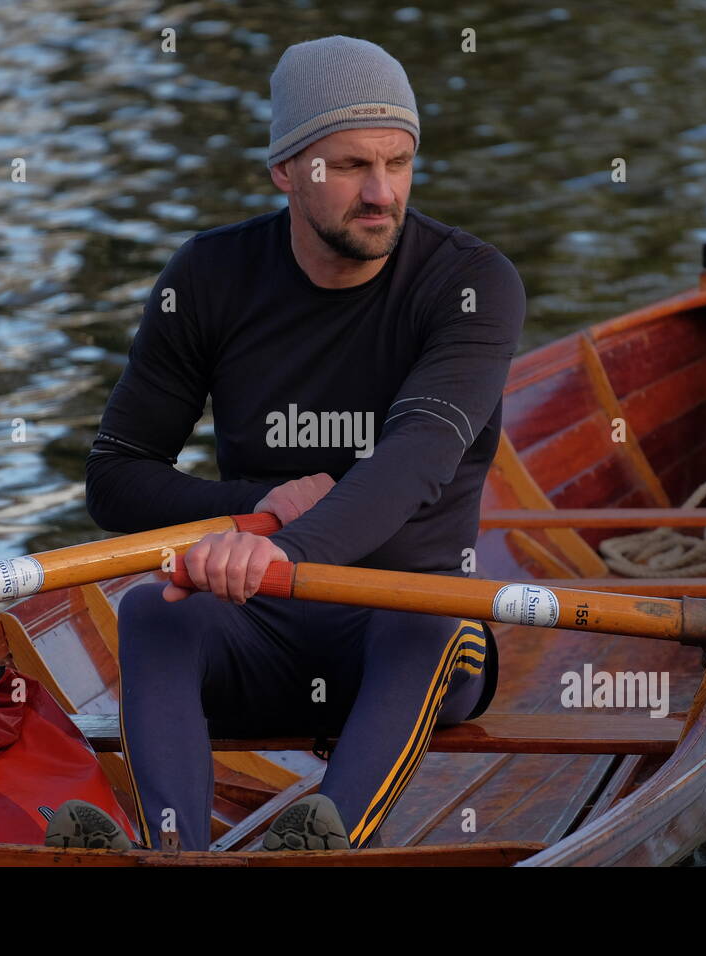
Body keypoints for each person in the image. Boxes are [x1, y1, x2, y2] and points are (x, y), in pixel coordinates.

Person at [75, 34, 526, 852]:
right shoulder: (207, 279)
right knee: (152, 612)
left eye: (399, 162)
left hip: (412, 627)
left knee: (429, 625)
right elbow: (114, 478)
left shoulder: (470, 283)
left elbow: (416, 460)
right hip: (261, 629)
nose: (382, 192)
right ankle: (171, 853)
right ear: (287, 170)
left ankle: (327, 847)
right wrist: (251, 511)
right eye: (351, 165)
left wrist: (282, 546)